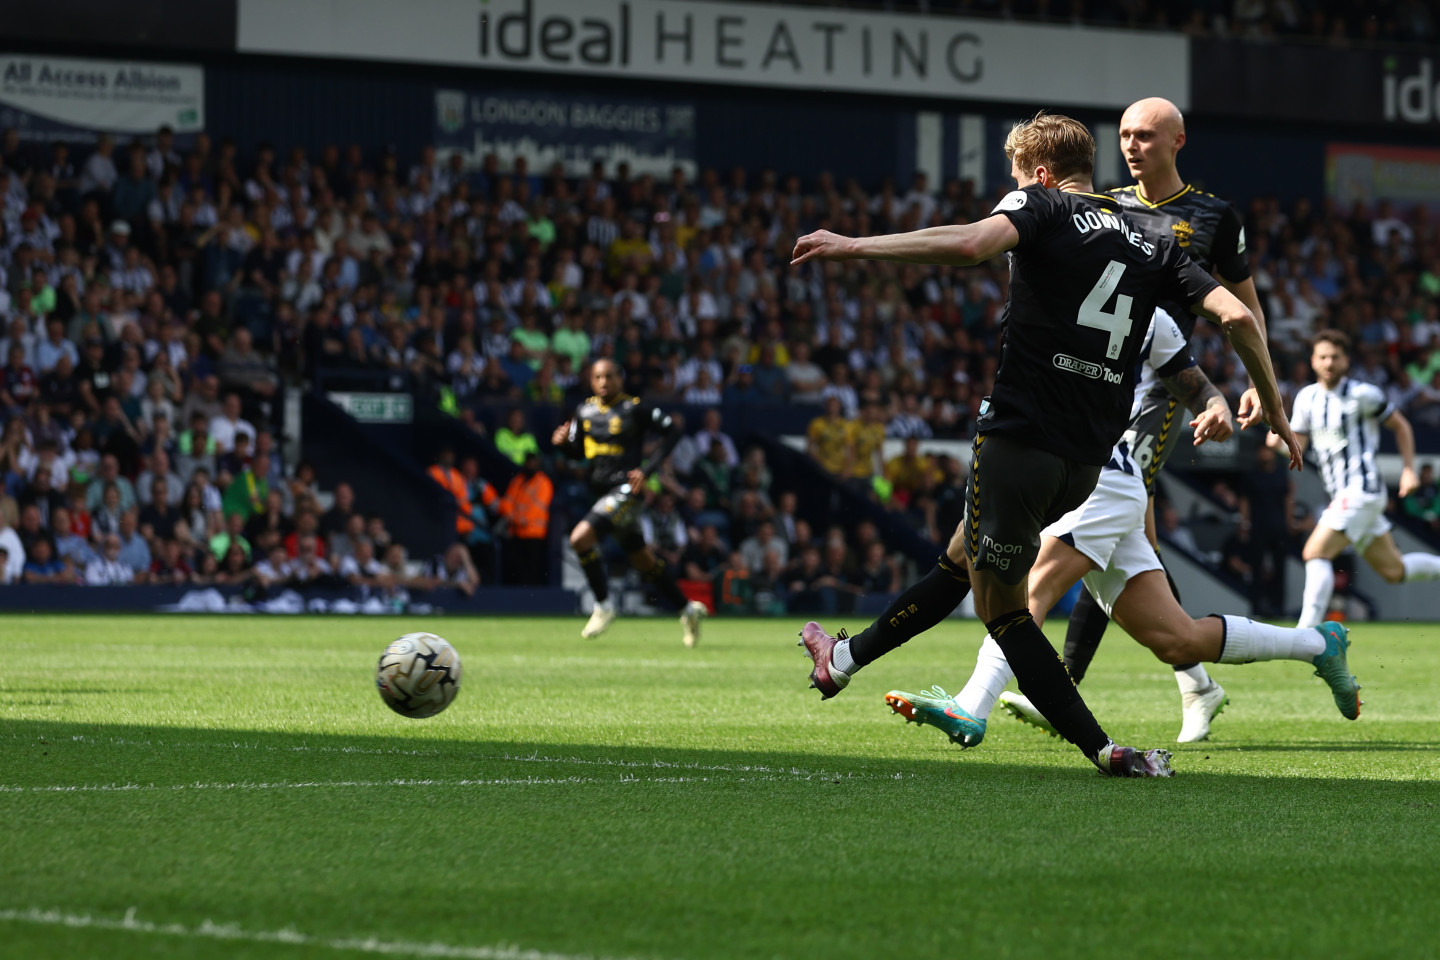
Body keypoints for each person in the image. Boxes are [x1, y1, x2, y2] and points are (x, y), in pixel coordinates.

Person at [790, 112, 1298, 778]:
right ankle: (842, 661)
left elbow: (973, 244)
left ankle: (1107, 751)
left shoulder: (1044, 205)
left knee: (1004, 613)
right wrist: (1277, 410)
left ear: (1038, 173)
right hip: (1085, 464)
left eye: (1015, 178)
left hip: (1019, 441)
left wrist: (855, 246)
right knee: (959, 561)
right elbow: (1236, 316)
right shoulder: (1152, 240)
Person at [884, 320, 1354, 749]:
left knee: (1031, 591)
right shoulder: (1105, 290)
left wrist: (1230, 399)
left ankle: (971, 705)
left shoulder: (1138, 301)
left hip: (1105, 477)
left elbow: (1234, 312)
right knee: (1179, 640)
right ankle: (1316, 643)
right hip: (1113, 478)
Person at [1062, 95, 1274, 721]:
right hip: (1095, 383)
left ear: (1178, 141)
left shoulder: (1213, 217)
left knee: (1096, 530)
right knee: (1132, 541)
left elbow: (1245, 308)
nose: (1132, 145)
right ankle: (1198, 681)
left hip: (1158, 390)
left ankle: (1064, 687)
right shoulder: (1105, 207)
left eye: (1146, 136)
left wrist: (1256, 382)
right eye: (1125, 135)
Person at [1281, 329, 1440, 628]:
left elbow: (1402, 427)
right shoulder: (1307, 398)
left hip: (1361, 490)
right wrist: (1276, 441)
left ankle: (1305, 636)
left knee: (1314, 551)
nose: (1329, 363)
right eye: (1323, 357)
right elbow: (1297, 447)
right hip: (1343, 495)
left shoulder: (1363, 394)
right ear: (1313, 361)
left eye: (1335, 357)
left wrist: (1408, 470)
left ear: (1346, 361)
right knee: (1395, 571)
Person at [551, 358, 707, 645]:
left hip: (626, 491)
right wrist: (564, 443)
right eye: (598, 377)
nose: (603, 382)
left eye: (609, 376)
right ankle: (687, 610)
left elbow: (673, 430)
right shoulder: (584, 410)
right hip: (600, 492)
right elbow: (578, 453)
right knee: (644, 560)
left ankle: (603, 605)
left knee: (579, 538)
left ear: (620, 379)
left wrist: (647, 469)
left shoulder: (635, 408)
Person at [496, 452, 553, 586]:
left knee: (532, 569)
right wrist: (514, 518)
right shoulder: (518, 480)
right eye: (528, 462)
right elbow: (506, 502)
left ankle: (532, 600)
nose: (530, 465)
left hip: (534, 533)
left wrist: (518, 519)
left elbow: (537, 508)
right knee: (516, 569)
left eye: (533, 462)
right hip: (517, 532)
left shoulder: (544, 482)